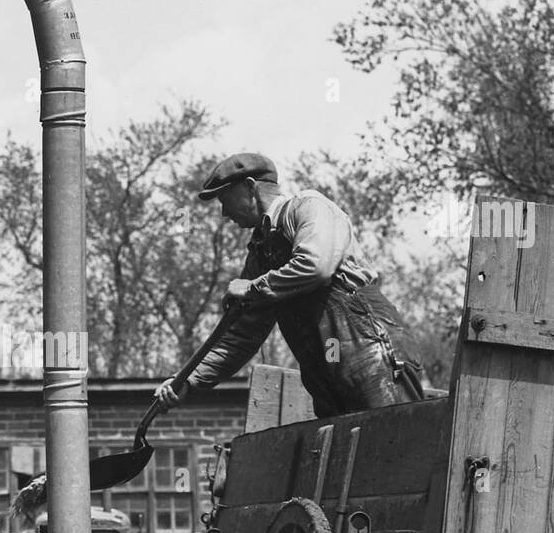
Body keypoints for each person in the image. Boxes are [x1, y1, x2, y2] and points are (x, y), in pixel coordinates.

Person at [155, 153, 425, 418]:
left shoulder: (308, 207)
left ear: (250, 187)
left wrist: (251, 288)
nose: (225, 213)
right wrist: (188, 380)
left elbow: (315, 266)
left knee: (395, 443)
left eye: (225, 200)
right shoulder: (261, 253)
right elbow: (241, 335)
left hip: (366, 351)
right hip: (324, 366)